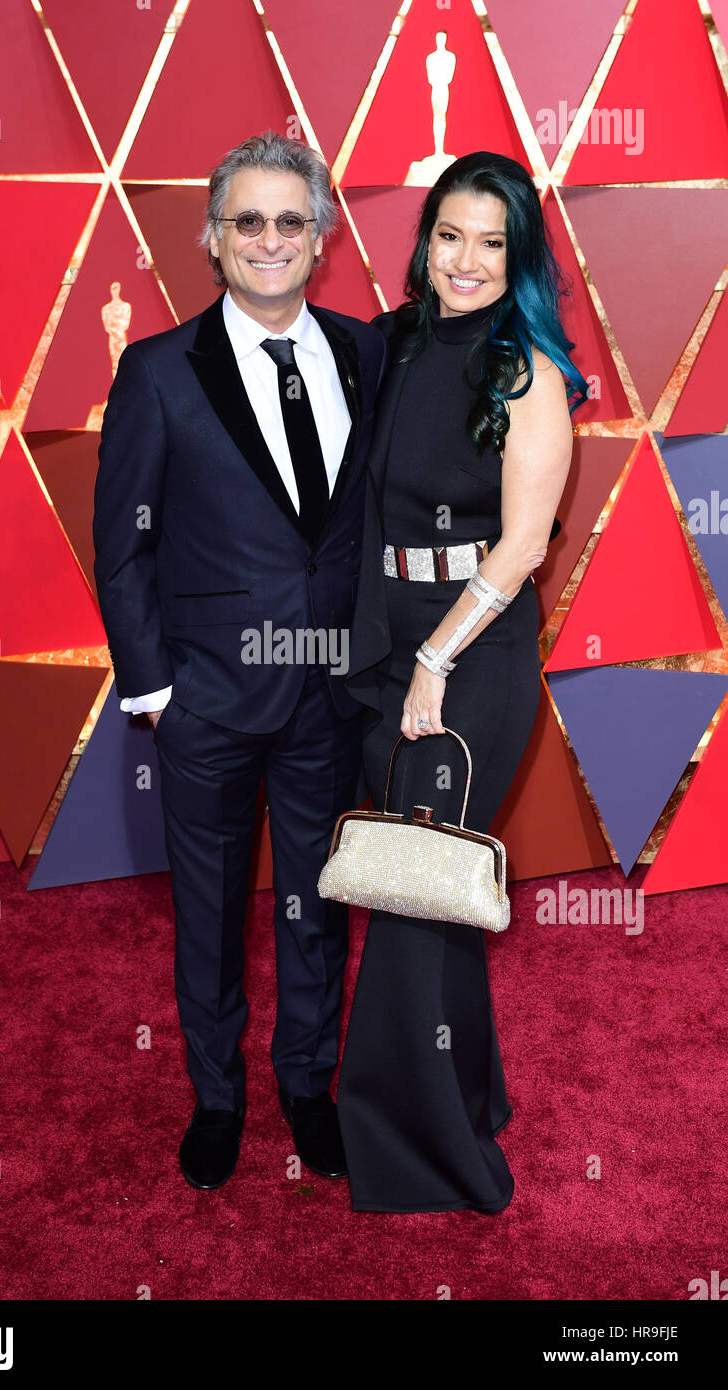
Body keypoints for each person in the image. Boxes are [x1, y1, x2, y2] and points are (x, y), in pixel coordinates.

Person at [92, 132, 385, 1191]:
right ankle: (217, 1098)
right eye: (246, 221)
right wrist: (158, 694)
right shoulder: (158, 372)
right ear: (213, 240)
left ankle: (307, 1085)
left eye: (290, 220)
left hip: (326, 692)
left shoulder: (365, 352)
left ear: (322, 237)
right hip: (206, 701)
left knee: (317, 901)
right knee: (210, 913)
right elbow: (121, 547)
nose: (269, 239)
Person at [339, 150, 587, 1213]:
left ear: (518, 255)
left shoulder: (523, 369)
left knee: (405, 894)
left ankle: (420, 1152)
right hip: (383, 644)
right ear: (424, 240)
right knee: (429, 893)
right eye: (450, 235)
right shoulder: (396, 345)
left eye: (492, 241)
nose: (466, 260)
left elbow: (523, 544)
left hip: (467, 659)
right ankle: (468, 1090)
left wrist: (433, 661)